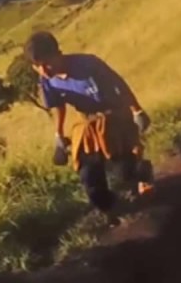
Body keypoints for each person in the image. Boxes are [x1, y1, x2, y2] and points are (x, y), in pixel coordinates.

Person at [25, 31, 154, 219]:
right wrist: (59, 135)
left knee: (125, 173)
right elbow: (58, 105)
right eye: (37, 66)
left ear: (58, 54)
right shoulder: (46, 80)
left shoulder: (88, 64)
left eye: (46, 63)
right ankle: (112, 211)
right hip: (87, 122)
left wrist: (137, 111)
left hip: (115, 116)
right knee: (89, 176)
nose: (44, 70)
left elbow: (119, 85)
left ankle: (143, 174)